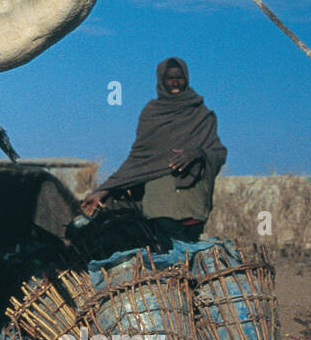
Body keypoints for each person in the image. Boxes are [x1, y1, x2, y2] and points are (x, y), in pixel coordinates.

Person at [81, 57, 227, 240]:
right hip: (160, 204)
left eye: (179, 77)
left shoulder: (202, 114)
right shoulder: (152, 113)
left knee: (191, 256)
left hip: (194, 204)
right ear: (161, 80)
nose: (175, 82)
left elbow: (219, 152)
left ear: (186, 79)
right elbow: (138, 160)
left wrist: (197, 153)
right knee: (169, 260)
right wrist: (103, 191)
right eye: (170, 78)